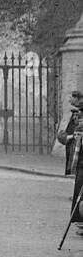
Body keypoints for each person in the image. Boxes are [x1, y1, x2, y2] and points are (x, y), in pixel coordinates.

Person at [57, 90, 83, 235]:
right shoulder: (75, 115)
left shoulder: (76, 115)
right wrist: (72, 136)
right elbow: (63, 135)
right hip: (78, 157)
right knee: (79, 187)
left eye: (72, 98)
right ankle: (79, 219)